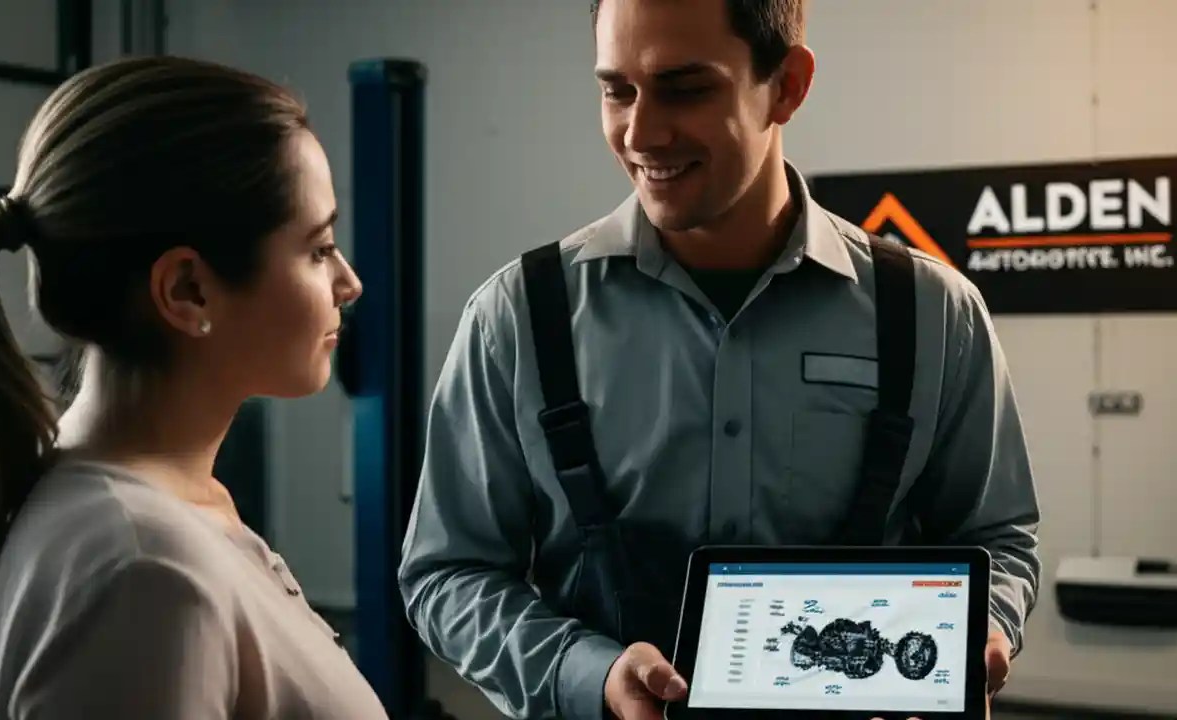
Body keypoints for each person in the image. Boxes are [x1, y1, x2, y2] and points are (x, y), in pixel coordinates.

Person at [399, 0, 1040, 719]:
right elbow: (448, 573)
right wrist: (590, 675)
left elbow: (995, 536)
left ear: (788, 86)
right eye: (617, 90)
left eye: (685, 87)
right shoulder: (515, 318)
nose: (640, 132)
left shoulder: (934, 314)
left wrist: (985, 627)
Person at [0, 55, 386, 720]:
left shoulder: (146, 513)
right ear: (188, 291)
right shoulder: (141, 575)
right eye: (318, 248)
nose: (349, 282)